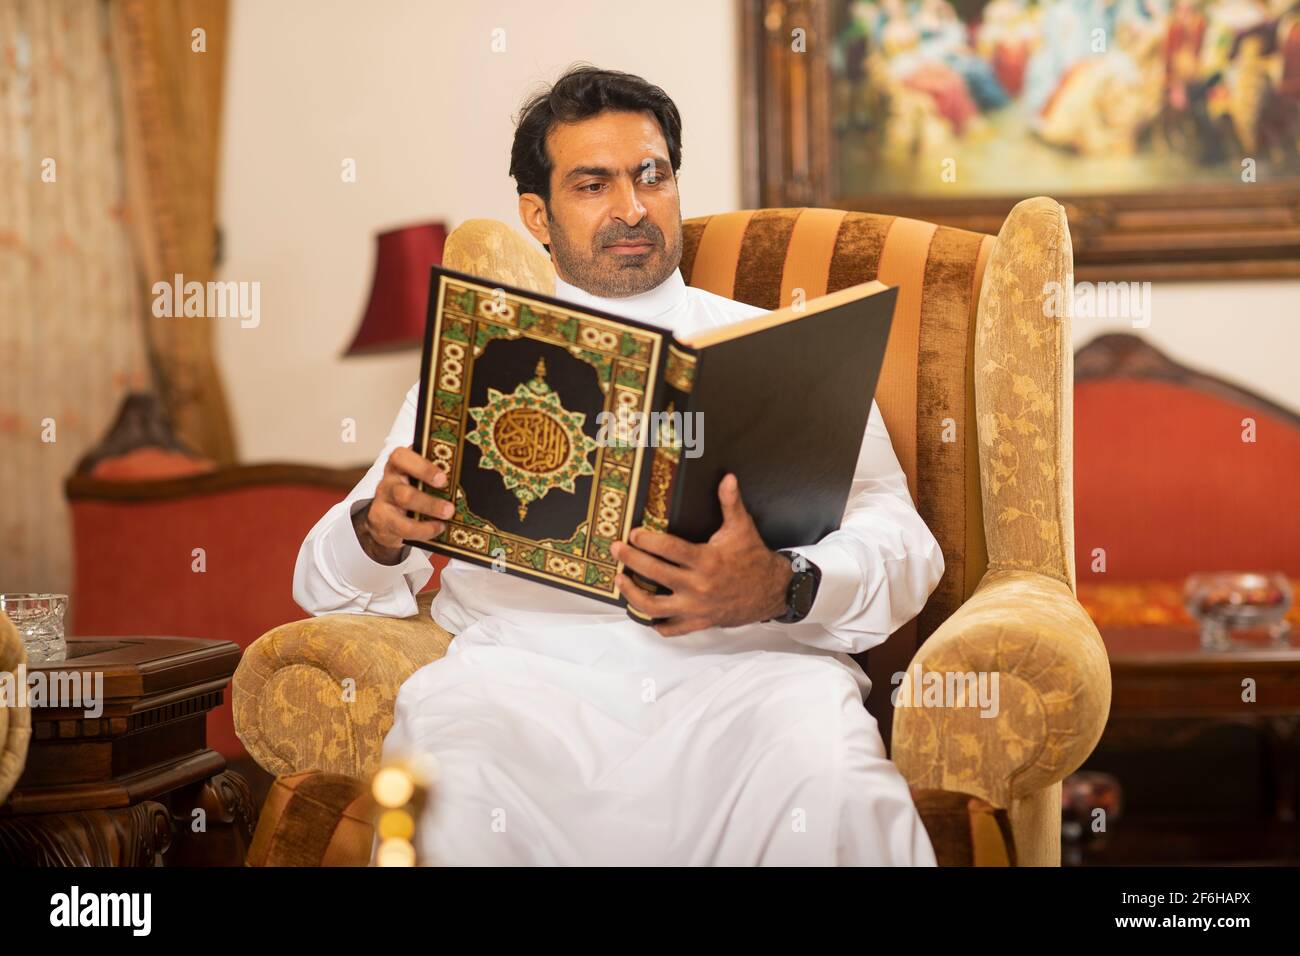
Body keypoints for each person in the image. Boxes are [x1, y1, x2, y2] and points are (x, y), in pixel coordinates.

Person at [293, 65, 945, 866]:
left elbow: (906, 545)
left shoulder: (784, 348)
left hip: (750, 680)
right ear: (537, 213)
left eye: (652, 176)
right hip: (518, 686)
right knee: (451, 803)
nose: (632, 208)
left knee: (837, 787)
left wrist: (782, 584)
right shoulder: (475, 363)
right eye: (592, 184)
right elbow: (323, 583)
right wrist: (379, 529)